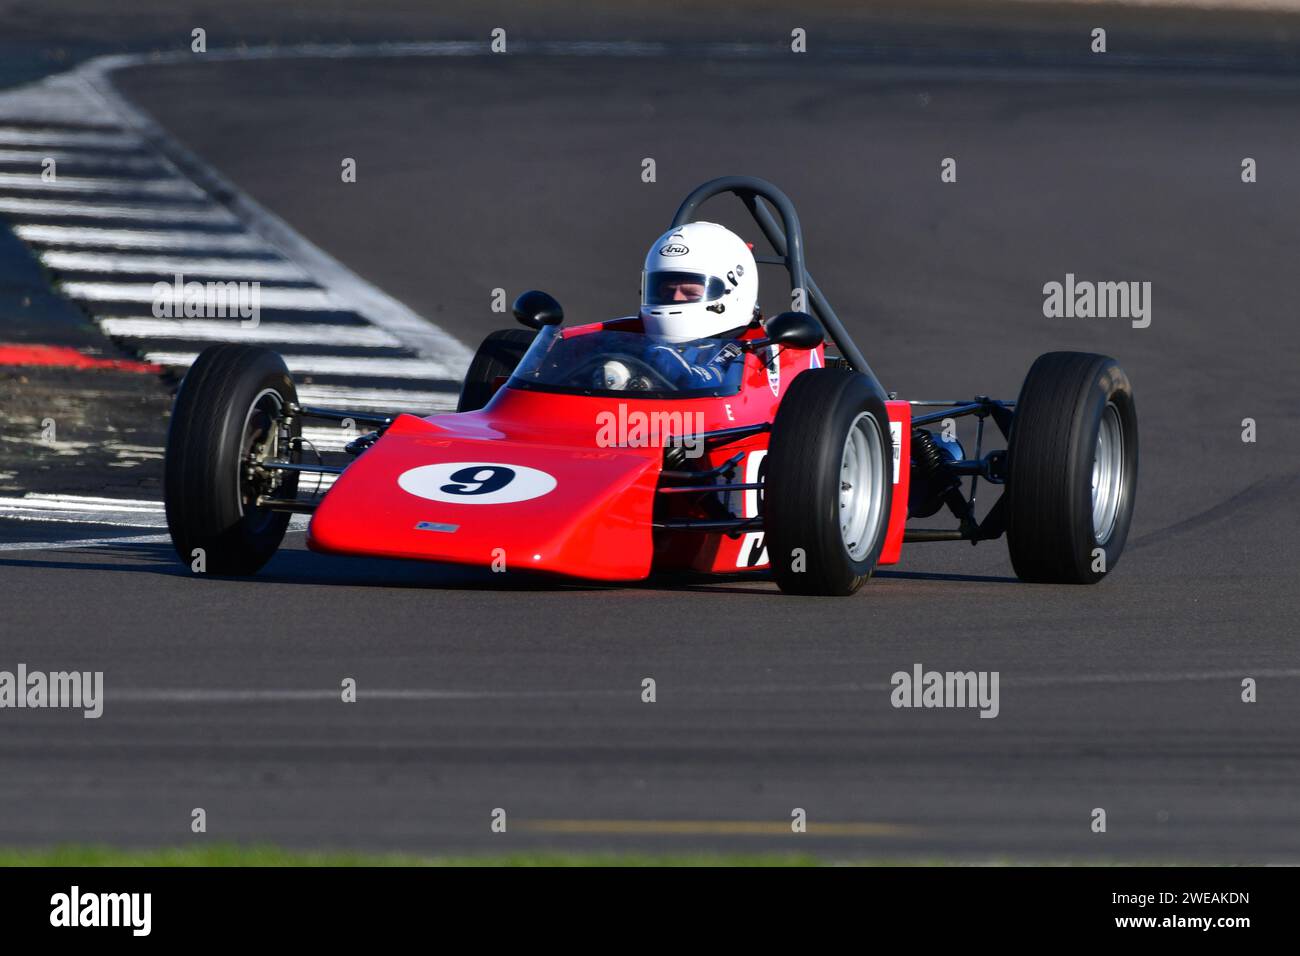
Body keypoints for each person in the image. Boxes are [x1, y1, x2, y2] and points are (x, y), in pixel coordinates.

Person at [595, 221, 759, 392]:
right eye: (666, 292)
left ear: (733, 293)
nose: (675, 298)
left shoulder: (742, 349)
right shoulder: (626, 337)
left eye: (690, 293)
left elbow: (704, 382)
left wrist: (662, 359)